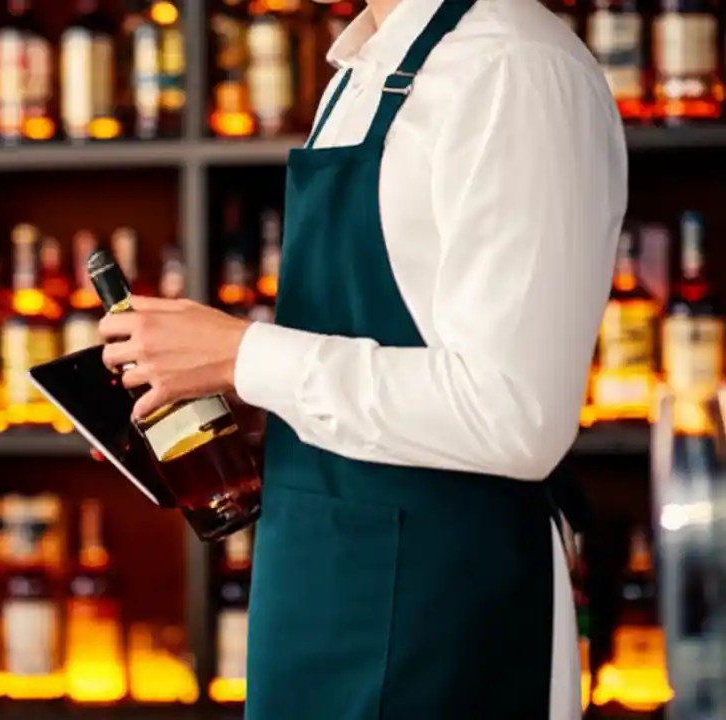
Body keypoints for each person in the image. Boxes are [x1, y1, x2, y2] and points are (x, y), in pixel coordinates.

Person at [98, 0, 626, 716]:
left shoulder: (512, 67)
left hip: (441, 620)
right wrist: (244, 416)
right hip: (317, 595)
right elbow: (389, 363)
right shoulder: (361, 70)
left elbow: (513, 413)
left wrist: (245, 353)